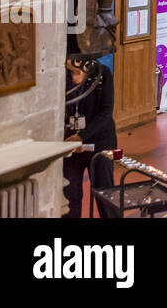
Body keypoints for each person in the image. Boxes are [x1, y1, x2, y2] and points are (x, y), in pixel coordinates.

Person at [63, 56, 117, 218]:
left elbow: (106, 112)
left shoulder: (103, 75)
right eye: (70, 72)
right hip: (71, 145)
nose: (73, 78)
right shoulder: (62, 75)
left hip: (100, 142)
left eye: (77, 73)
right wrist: (69, 139)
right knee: (70, 195)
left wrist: (81, 136)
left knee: (104, 193)